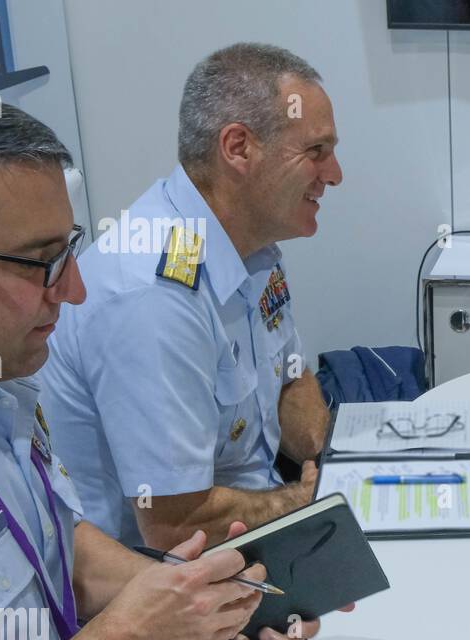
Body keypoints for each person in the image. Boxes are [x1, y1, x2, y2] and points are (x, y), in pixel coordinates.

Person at [0, 85, 319, 640]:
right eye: (40, 263)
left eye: (69, 250)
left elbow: (59, 549)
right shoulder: (145, 300)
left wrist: (209, 601)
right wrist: (124, 639)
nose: (75, 288)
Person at [40, 43, 340, 551]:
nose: (334, 174)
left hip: (248, 525)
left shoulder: (254, 244)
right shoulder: (152, 294)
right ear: (238, 148)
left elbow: (290, 376)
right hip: (161, 580)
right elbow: (173, 521)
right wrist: (307, 500)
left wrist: (335, 459)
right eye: (316, 151)